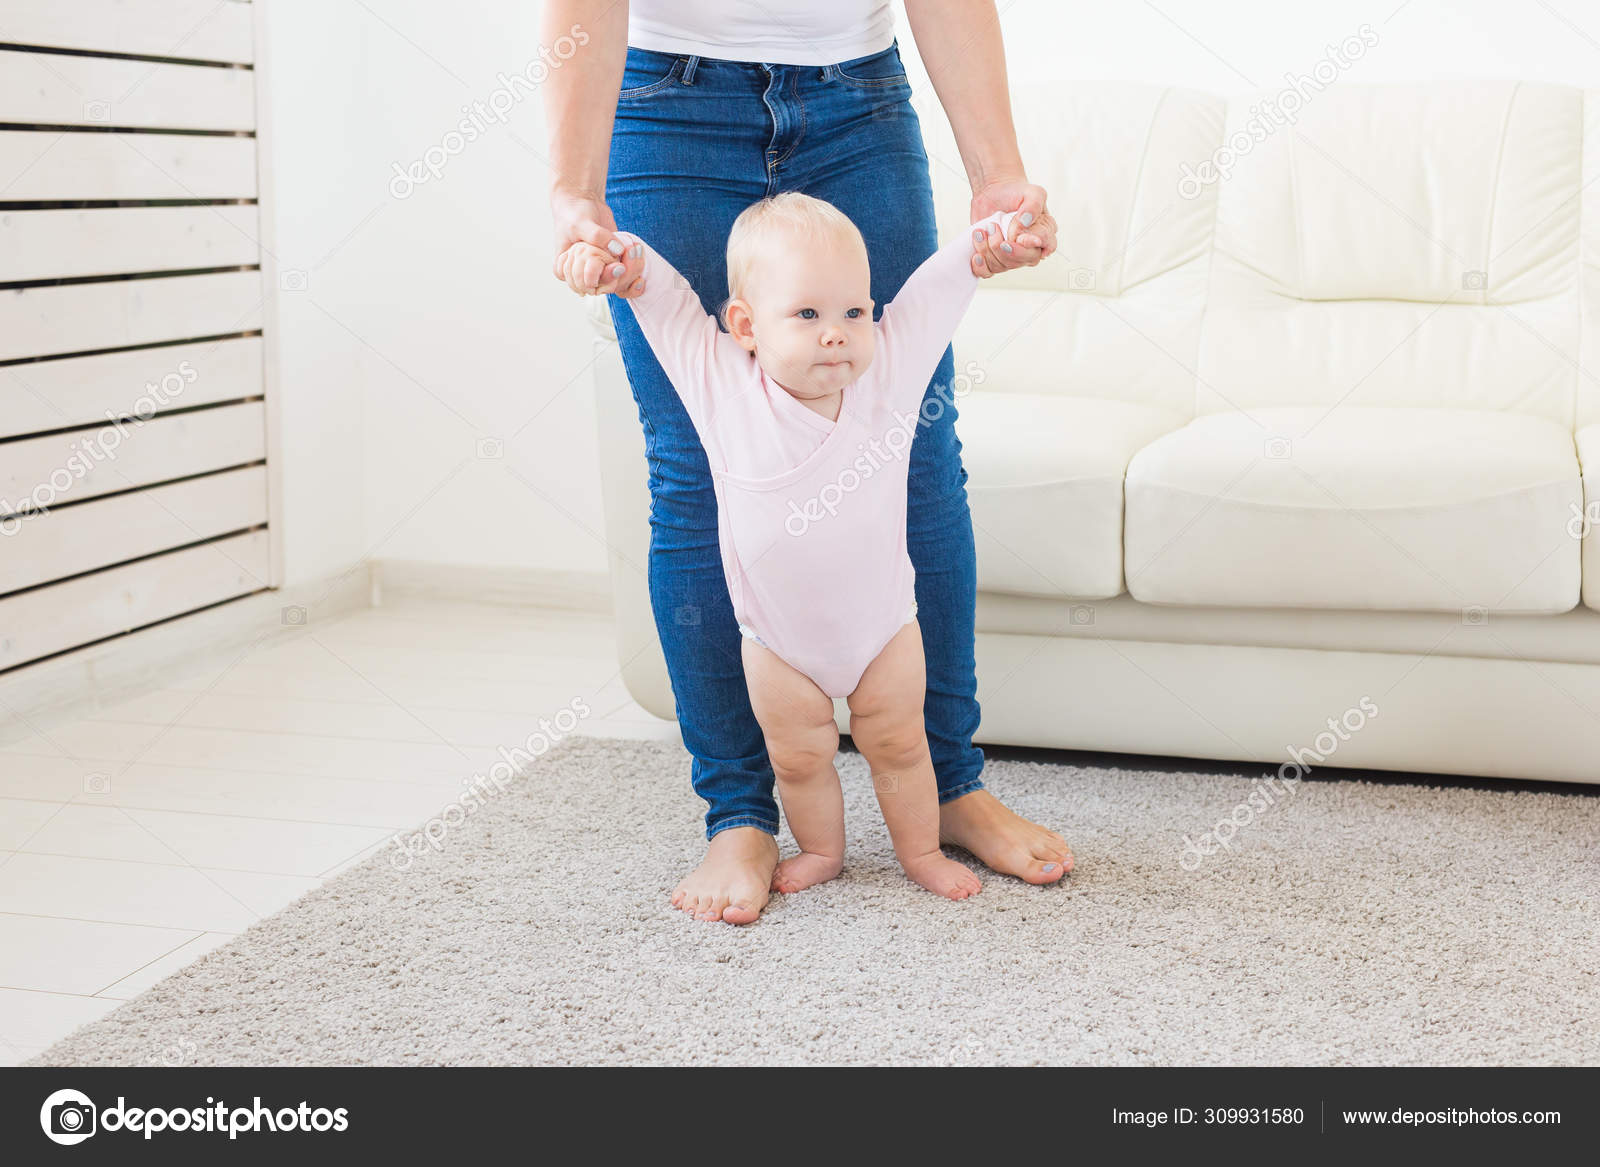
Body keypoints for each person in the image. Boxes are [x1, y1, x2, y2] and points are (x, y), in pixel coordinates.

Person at [542, 0, 1073, 924]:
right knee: (690, 469)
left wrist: (999, 177)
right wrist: (575, 189)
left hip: (856, 97)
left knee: (918, 453)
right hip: (666, 102)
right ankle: (740, 815)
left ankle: (951, 785)